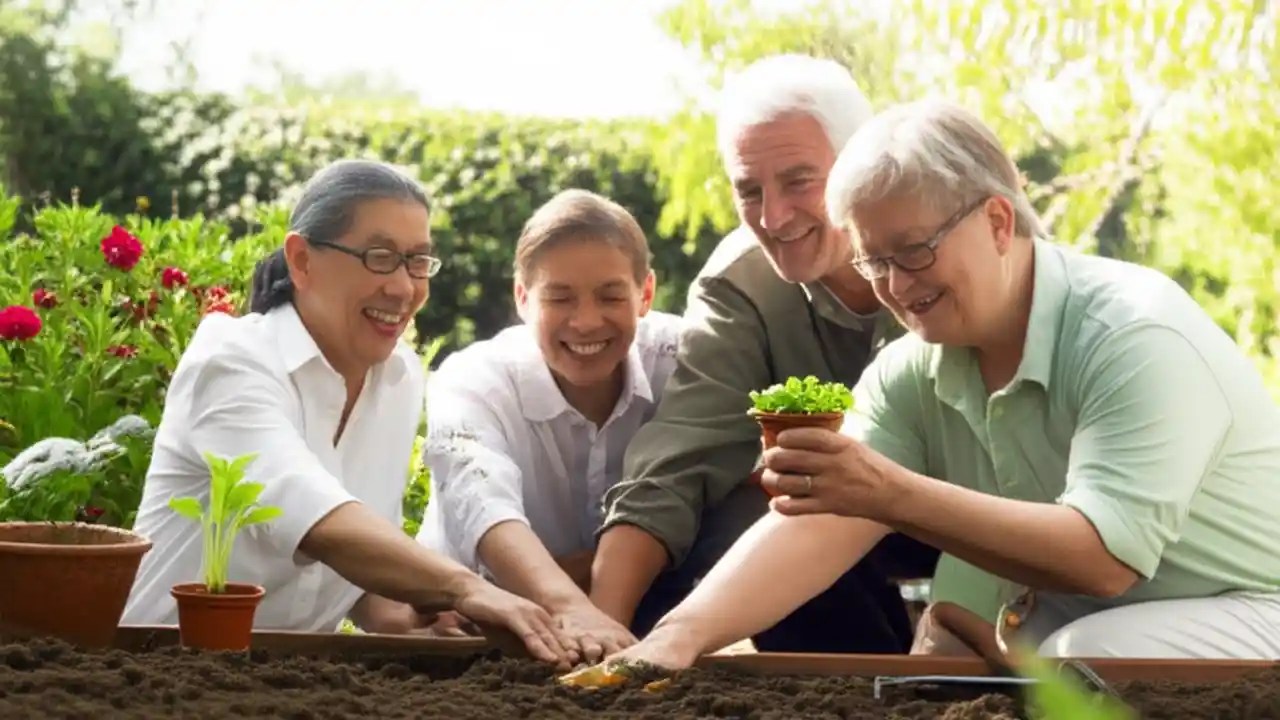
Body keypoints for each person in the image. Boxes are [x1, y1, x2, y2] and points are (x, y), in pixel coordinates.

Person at [601, 99, 1280, 668]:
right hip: (1108, 614)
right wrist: (676, 638)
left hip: (1251, 604)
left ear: (997, 221)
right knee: (942, 660)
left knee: (1081, 662)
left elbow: (1103, 559)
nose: (896, 287)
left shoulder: (1133, 334)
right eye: (873, 263)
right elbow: (818, 524)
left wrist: (890, 492)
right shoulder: (916, 369)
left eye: (915, 252)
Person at [122, 159, 576, 667]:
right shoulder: (231, 361)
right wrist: (463, 587)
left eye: (418, 261)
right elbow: (317, 519)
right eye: (380, 257)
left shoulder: (399, 377)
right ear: (302, 260)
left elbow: (353, 560)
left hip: (295, 677)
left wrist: (406, 615)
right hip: (161, 670)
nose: (404, 287)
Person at [589, 54, 941, 655]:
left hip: (977, 514)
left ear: (861, 164)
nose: (773, 217)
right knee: (744, 506)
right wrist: (597, 628)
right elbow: (681, 456)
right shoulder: (741, 282)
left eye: (800, 181)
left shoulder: (946, 249)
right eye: (748, 190)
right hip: (821, 536)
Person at [414, 189, 682, 665]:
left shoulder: (682, 359)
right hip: (474, 637)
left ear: (645, 294)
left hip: (637, 632)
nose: (585, 321)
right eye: (559, 297)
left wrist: (592, 600)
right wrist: (572, 606)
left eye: (611, 296)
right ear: (522, 297)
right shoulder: (474, 378)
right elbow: (483, 503)